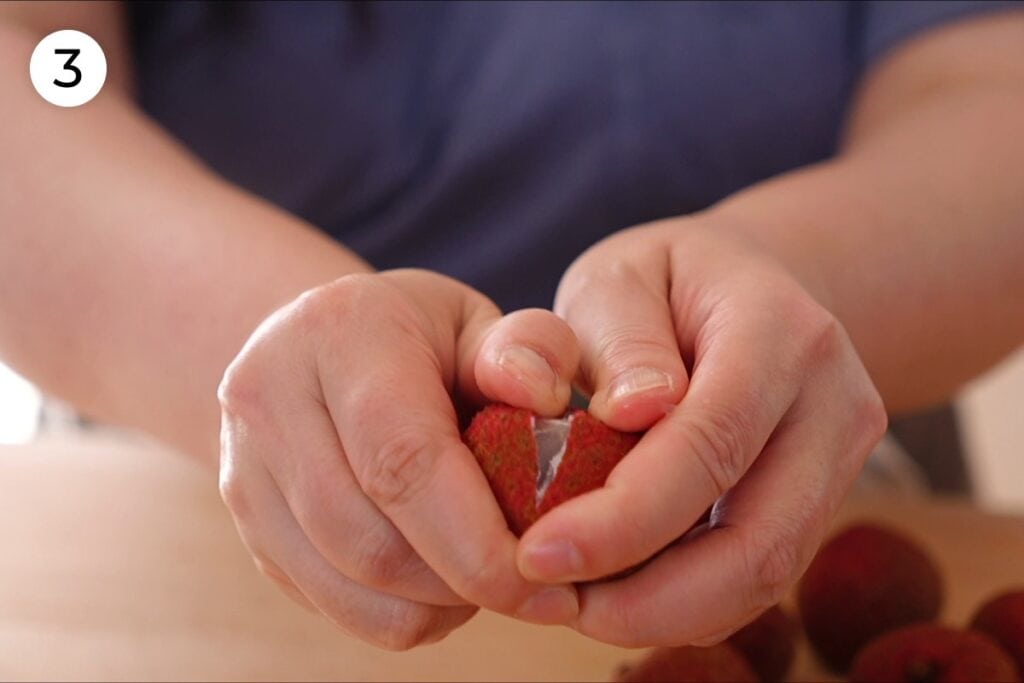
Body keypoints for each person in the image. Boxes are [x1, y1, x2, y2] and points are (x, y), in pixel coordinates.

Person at [1, 0, 1022, 651]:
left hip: (813, 440)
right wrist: (275, 326)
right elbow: (37, 65)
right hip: (189, 457)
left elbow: (988, 86)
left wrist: (791, 270)